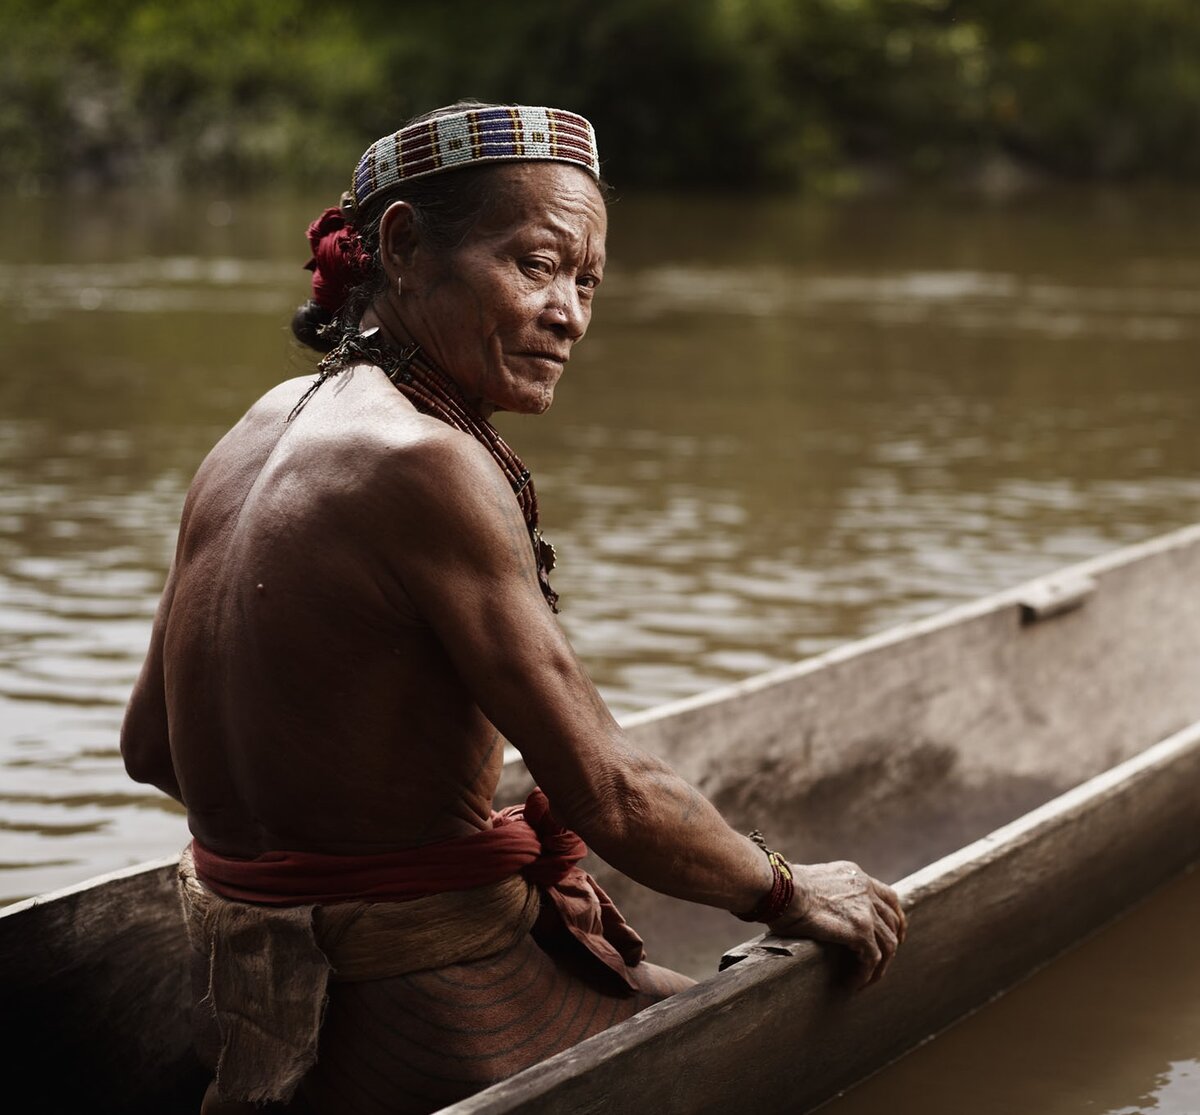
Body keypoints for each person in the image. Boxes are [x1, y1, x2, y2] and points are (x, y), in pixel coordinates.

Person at [121, 102, 905, 1115]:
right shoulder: (424, 461)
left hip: (248, 995)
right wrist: (795, 889)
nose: (570, 312)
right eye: (536, 265)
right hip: (430, 1014)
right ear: (400, 247)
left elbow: (152, 748)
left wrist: (345, 829)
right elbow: (612, 796)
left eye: (586, 282)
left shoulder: (259, 423)